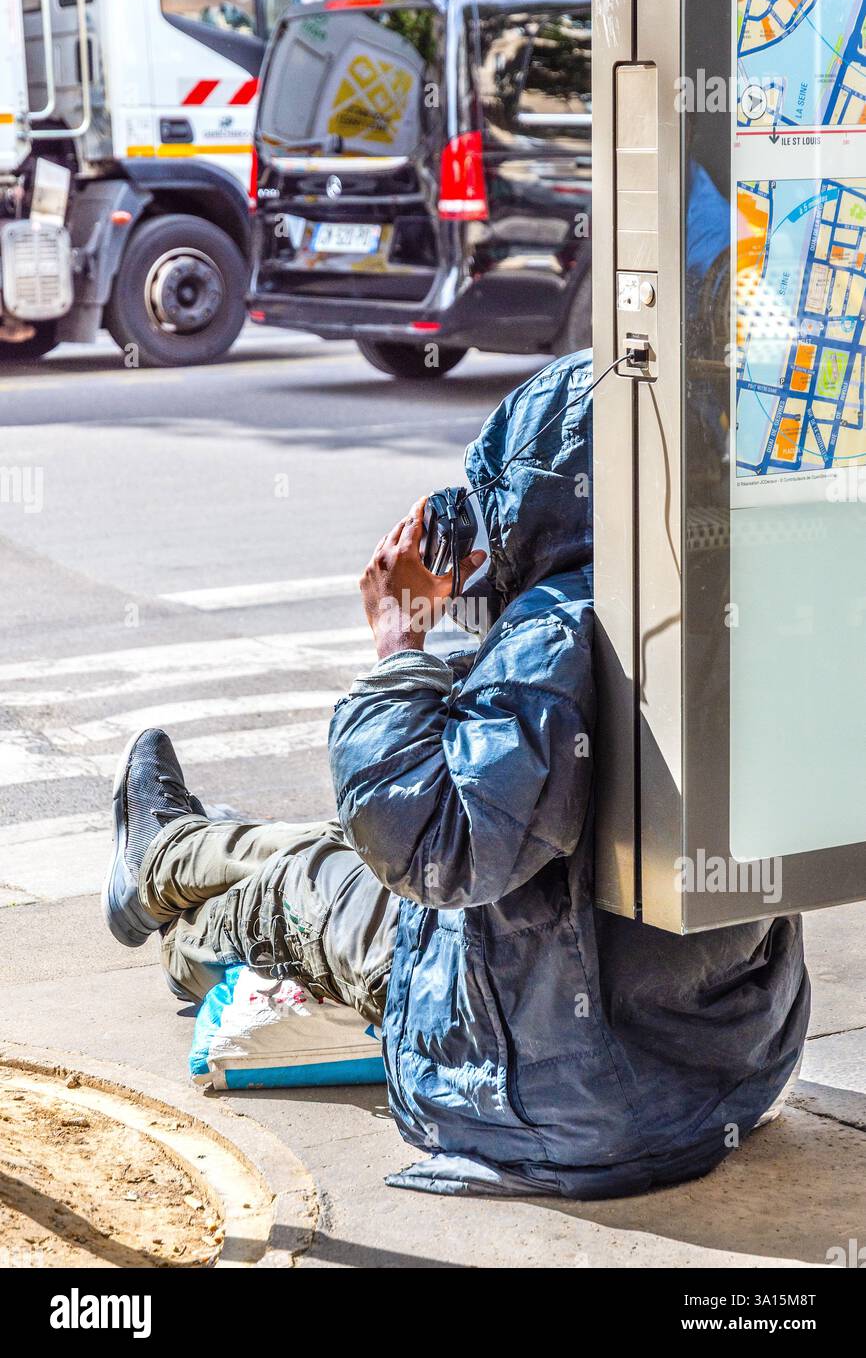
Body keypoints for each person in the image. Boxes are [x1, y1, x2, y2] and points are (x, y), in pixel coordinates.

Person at [102, 351, 809, 1198]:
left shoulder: (559, 633)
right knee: (333, 849)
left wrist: (400, 647)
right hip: (718, 1065)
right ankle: (169, 851)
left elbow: (434, 849)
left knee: (301, 882)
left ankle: (167, 896)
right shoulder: (733, 590)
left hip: (556, 1089)